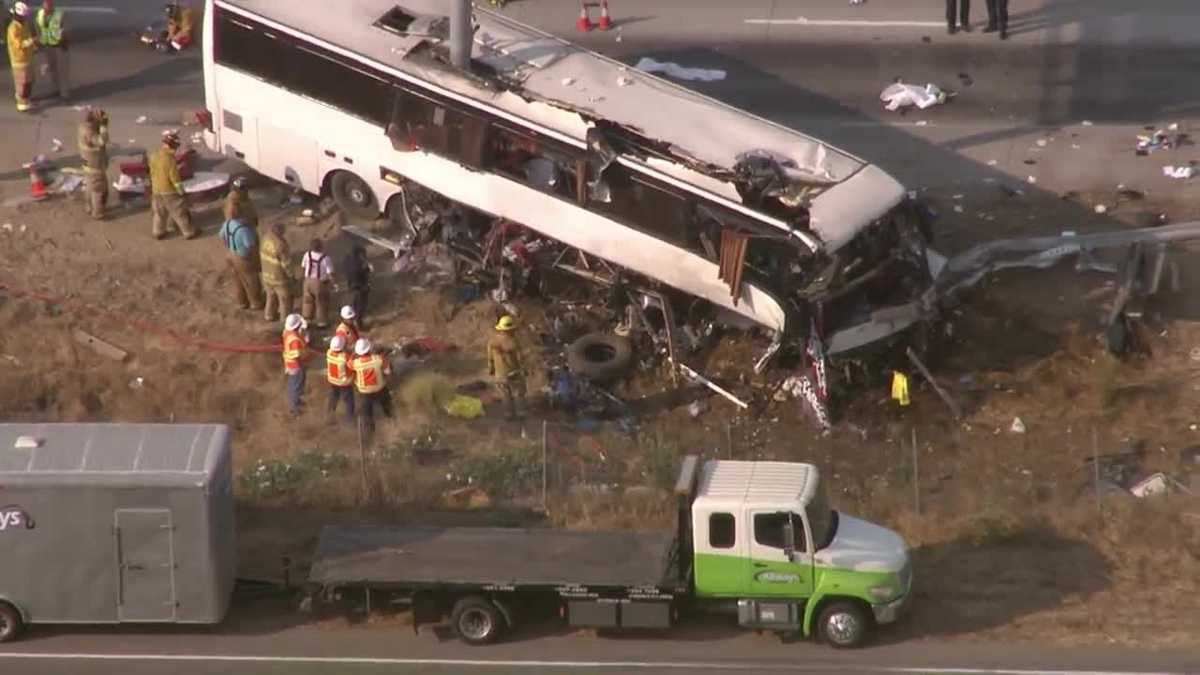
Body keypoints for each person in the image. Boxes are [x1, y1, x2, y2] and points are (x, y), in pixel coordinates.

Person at [149, 130, 196, 240]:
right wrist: (181, 192)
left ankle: (158, 232)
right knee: (179, 213)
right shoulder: (170, 159)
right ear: (173, 146)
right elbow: (175, 179)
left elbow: (152, 172)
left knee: (159, 213)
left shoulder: (154, 155)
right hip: (169, 191)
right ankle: (188, 232)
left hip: (156, 190)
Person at [219, 216, 263, 311]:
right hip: (244, 258)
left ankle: (242, 302)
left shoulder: (228, 223)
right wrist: (256, 261)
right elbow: (251, 248)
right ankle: (256, 303)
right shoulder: (245, 230)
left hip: (231, 255)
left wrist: (230, 248)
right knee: (251, 281)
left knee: (238, 280)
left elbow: (222, 236)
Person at [350, 338, 393, 437]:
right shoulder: (380, 359)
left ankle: (370, 432)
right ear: (369, 349)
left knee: (367, 413)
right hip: (380, 389)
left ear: (358, 352)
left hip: (365, 392)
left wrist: (353, 354)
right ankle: (391, 419)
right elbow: (388, 372)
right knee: (387, 405)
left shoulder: (355, 363)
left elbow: (349, 364)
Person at [486, 314, 526, 419]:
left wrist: (491, 370)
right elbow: (520, 358)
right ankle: (521, 413)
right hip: (515, 372)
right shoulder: (514, 342)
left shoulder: (492, 342)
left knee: (505, 395)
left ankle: (509, 414)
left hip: (500, 374)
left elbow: (490, 359)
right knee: (519, 393)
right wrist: (524, 369)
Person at [76, 107, 108, 220]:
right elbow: (102, 141)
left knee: (90, 186)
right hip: (95, 164)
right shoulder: (90, 132)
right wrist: (103, 126)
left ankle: (88, 206)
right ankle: (98, 213)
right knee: (98, 189)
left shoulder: (82, 127)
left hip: (86, 162)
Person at [34, 0, 67, 101]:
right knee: (52, 69)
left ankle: (64, 95)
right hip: (46, 45)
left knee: (62, 71)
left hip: (58, 45)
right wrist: (38, 40)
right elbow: (37, 27)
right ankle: (56, 89)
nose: (47, 8)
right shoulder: (40, 14)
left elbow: (64, 29)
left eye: (49, 6)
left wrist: (64, 40)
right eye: (45, 6)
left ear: (52, 6)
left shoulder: (59, 14)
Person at [260, 222, 293, 322]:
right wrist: (291, 275)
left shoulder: (265, 238)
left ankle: (269, 315)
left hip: (266, 275)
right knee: (284, 299)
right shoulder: (281, 245)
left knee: (270, 296)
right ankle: (285, 319)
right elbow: (286, 264)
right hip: (279, 278)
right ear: (280, 232)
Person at [7, 3, 37, 113]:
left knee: (30, 80)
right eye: (23, 16)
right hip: (19, 60)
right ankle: (22, 103)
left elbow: (29, 36)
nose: (25, 18)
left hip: (29, 58)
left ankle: (25, 98)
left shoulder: (25, 24)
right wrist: (31, 41)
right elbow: (18, 44)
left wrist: (34, 45)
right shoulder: (13, 28)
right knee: (22, 82)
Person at [300, 238, 334, 328]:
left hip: (308, 281)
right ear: (321, 247)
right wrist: (333, 283)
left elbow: (303, 267)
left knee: (307, 301)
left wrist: (303, 278)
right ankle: (321, 322)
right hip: (320, 283)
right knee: (321, 302)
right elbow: (330, 273)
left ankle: (306, 321)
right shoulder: (325, 258)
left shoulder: (307, 255)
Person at [281, 313, 310, 415]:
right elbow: (296, 356)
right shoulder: (294, 340)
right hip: (296, 366)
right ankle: (294, 408)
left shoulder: (287, 332)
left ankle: (296, 401)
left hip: (291, 364)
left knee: (294, 384)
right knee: (296, 385)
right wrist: (302, 364)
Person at [325, 335, 355, 424]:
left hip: (333, 380)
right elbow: (352, 366)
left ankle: (330, 412)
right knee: (348, 400)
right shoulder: (345, 357)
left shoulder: (329, 353)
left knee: (333, 396)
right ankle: (349, 418)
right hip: (344, 382)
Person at [342, 244, 372, 328]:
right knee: (360, 305)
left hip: (351, 284)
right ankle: (358, 324)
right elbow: (360, 272)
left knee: (354, 304)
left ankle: (353, 322)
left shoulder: (347, 259)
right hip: (360, 285)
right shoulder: (358, 263)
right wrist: (368, 269)